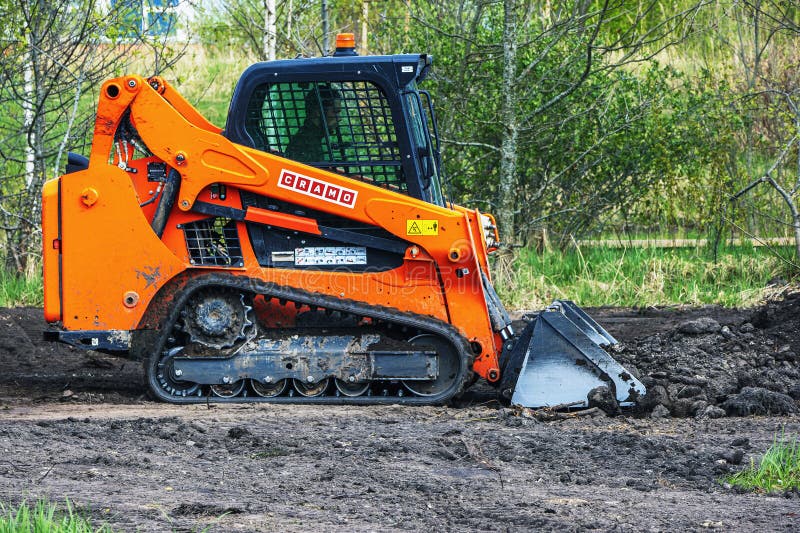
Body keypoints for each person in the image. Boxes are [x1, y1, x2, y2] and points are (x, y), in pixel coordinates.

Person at [285, 85, 342, 163]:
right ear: (318, 111)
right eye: (335, 112)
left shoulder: (311, 139)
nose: (339, 118)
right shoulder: (305, 145)